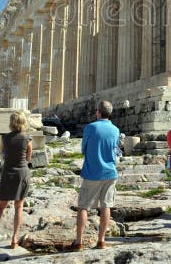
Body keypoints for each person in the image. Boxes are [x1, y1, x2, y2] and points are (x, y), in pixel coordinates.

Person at [69, 101, 119, 252]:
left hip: (92, 172)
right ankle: (101, 240)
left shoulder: (90, 127)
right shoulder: (116, 129)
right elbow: (116, 149)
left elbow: (83, 148)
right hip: (110, 172)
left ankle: (78, 242)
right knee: (106, 206)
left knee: (83, 207)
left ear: (98, 112)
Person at [0, 111, 32, 249]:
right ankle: (14, 239)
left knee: (1, 206)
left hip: (8, 172)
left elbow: (2, 153)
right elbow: (28, 158)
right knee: (19, 206)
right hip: (22, 173)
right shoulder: (27, 139)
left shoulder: (5, 138)